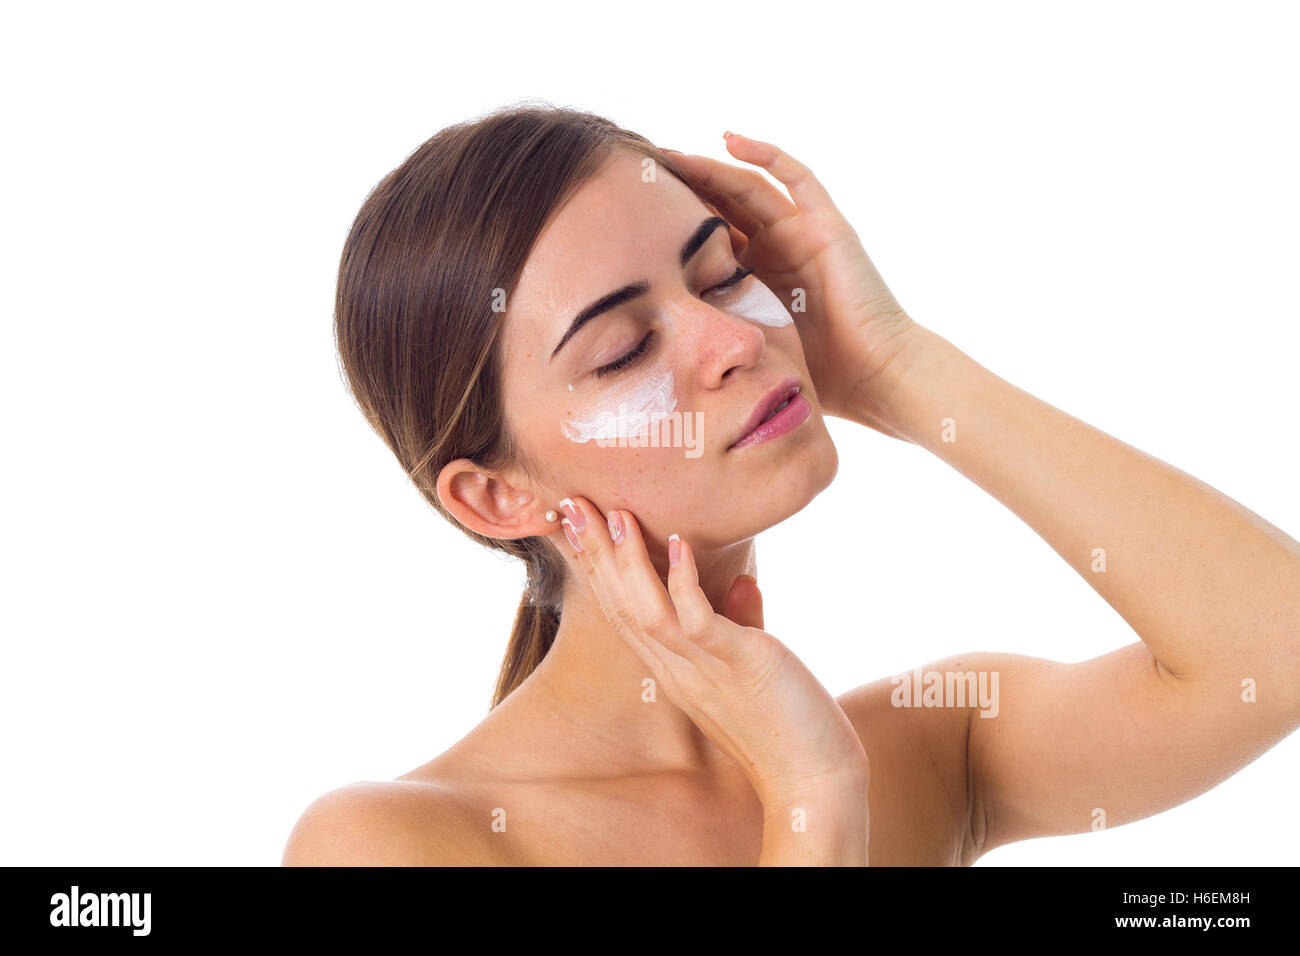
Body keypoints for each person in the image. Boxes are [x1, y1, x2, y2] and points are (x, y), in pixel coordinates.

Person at [283, 104, 1300, 865]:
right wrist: (812, 795)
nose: (734, 337)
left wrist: (899, 369)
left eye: (723, 272)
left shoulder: (934, 747)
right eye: (625, 346)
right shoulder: (393, 842)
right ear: (494, 498)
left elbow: (1275, 644)